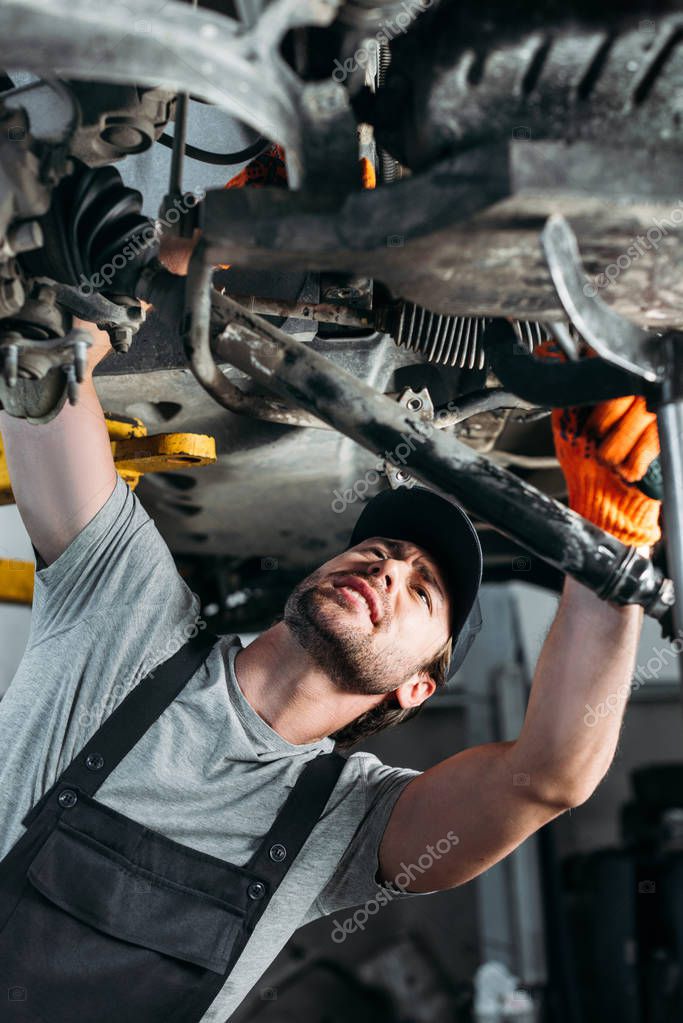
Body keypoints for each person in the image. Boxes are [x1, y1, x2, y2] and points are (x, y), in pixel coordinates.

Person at [0, 310, 662, 1020]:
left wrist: (606, 547)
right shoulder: (127, 613)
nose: (387, 568)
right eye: (380, 550)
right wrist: (129, 275)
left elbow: (547, 776)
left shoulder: (344, 825)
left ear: (416, 687)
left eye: (420, 589)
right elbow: (40, 376)